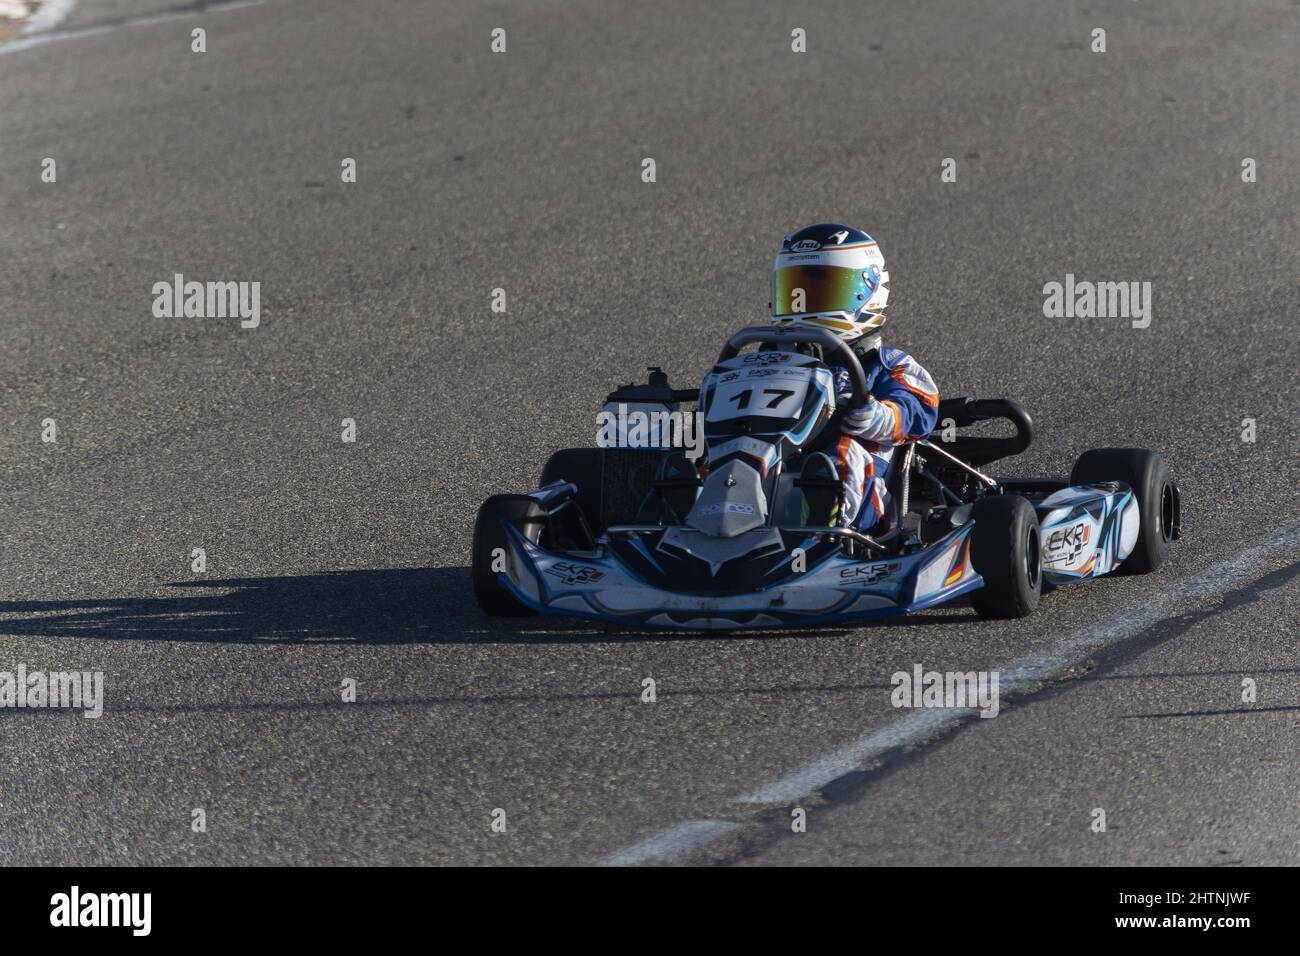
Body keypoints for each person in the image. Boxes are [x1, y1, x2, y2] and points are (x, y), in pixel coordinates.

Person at [770, 223, 940, 533]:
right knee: (715, 452)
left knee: (843, 454)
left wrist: (883, 417)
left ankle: (825, 523)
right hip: (776, 464)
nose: (802, 305)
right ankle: (691, 502)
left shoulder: (885, 364)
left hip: (864, 481)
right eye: (795, 290)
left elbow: (921, 407)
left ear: (866, 292)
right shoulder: (772, 361)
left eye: (819, 291)